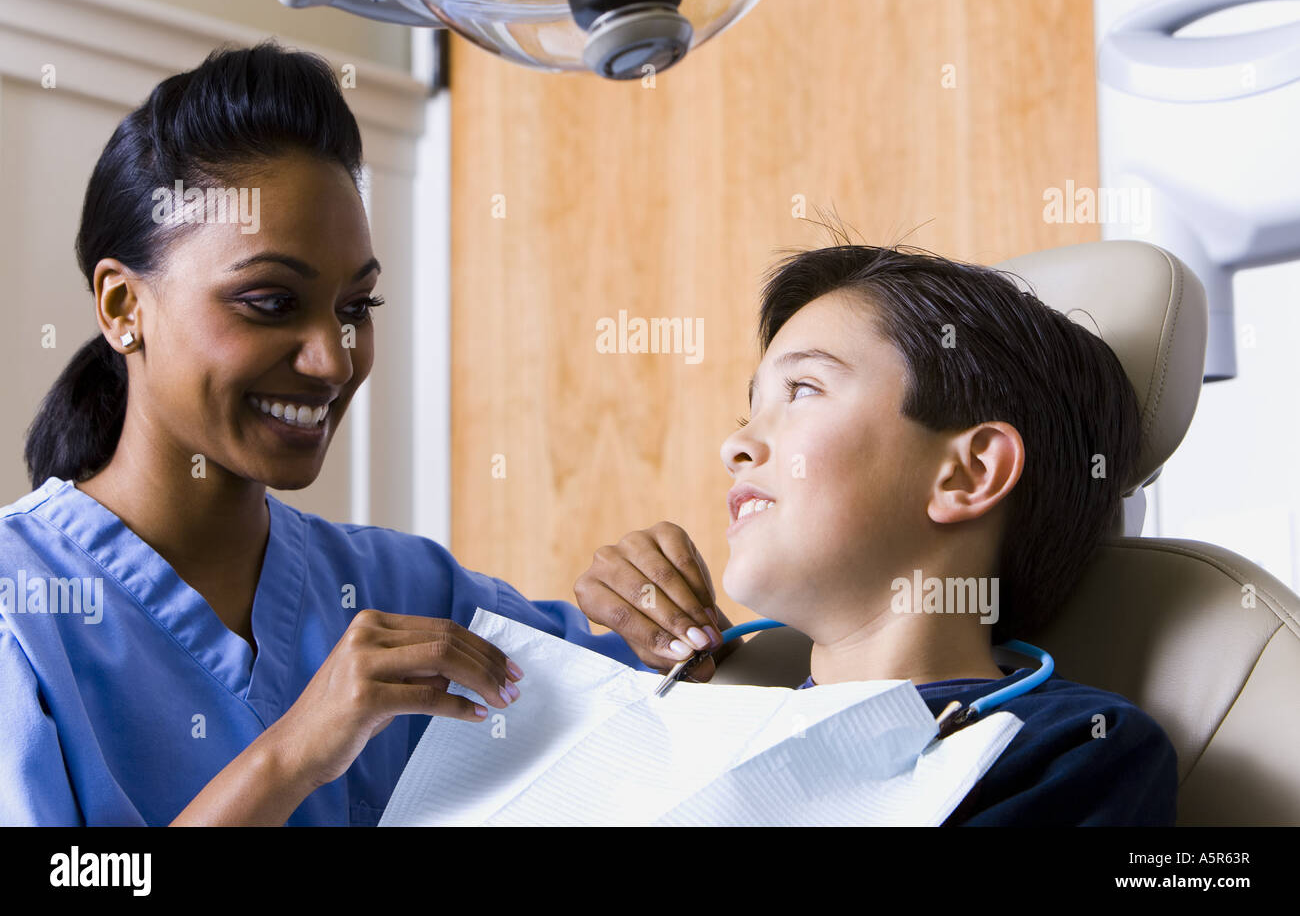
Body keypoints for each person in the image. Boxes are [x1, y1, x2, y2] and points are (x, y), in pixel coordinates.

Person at [0, 40, 706, 827]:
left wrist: (656, 618)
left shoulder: (412, 594)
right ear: (124, 308)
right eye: (269, 301)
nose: (331, 360)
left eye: (355, 308)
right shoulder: (19, 609)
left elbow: (705, 719)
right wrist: (296, 752)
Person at [576, 239, 1179, 825]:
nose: (736, 445)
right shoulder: (697, 697)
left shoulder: (1070, 750)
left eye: (803, 390)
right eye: (750, 411)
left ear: (967, 473)